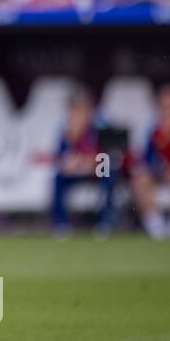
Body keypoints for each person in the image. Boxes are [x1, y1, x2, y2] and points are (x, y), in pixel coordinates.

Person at [130, 84, 170, 239]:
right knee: (141, 179)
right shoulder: (154, 133)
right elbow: (147, 161)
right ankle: (155, 225)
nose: (168, 112)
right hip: (161, 178)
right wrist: (162, 170)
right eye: (165, 108)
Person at [51, 90, 114, 235]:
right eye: (75, 110)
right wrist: (71, 161)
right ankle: (61, 223)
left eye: (82, 109)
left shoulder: (100, 128)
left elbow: (107, 156)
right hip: (75, 173)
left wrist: (92, 163)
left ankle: (105, 222)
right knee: (57, 179)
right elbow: (61, 159)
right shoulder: (66, 131)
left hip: (96, 171)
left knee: (109, 176)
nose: (79, 115)